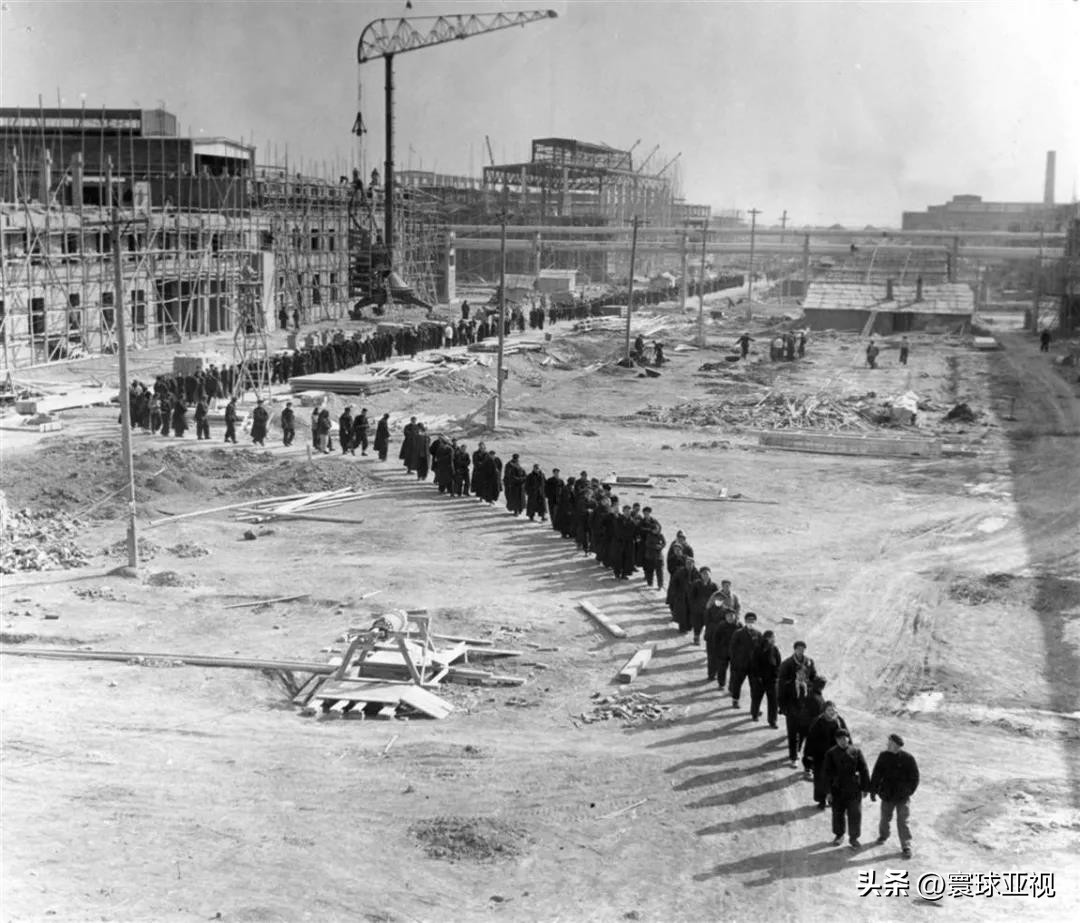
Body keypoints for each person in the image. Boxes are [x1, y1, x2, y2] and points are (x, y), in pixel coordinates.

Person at [870, 733, 920, 859]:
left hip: (902, 797)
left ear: (896, 746)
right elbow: (876, 774)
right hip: (887, 795)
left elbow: (915, 778)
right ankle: (883, 836)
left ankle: (906, 845)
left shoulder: (908, 758)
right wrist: (873, 790)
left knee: (903, 821)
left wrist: (908, 792)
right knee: (885, 818)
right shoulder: (883, 756)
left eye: (890, 743)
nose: (887, 745)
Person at [822, 729, 871, 850]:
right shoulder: (831, 753)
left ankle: (854, 838)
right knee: (838, 813)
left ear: (848, 738)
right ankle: (839, 835)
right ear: (836, 740)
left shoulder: (856, 751)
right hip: (837, 789)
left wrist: (865, 788)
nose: (843, 741)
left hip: (854, 788)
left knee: (855, 814)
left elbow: (864, 770)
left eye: (844, 738)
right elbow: (826, 774)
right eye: (839, 739)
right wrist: (828, 792)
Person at [778, 641, 818, 768]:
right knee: (792, 733)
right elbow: (781, 687)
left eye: (803, 649)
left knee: (803, 732)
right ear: (794, 649)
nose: (801, 651)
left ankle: (797, 750)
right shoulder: (787, 664)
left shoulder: (809, 662)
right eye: (798, 649)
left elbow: (814, 678)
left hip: (805, 709)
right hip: (792, 707)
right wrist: (782, 707)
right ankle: (793, 757)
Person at [804, 701, 849, 808]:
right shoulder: (818, 721)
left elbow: (846, 735)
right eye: (829, 710)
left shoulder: (839, 721)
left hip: (835, 755)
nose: (831, 712)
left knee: (834, 778)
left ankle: (832, 799)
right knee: (820, 778)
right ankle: (821, 800)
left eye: (833, 710)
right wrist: (808, 754)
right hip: (820, 756)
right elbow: (810, 739)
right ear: (824, 710)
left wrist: (849, 749)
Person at [728, 611, 761, 709]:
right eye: (748, 620)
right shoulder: (738, 633)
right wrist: (734, 662)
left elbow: (761, 649)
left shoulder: (758, 634)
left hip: (753, 665)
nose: (750, 622)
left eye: (752, 620)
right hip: (741, 664)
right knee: (737, 683)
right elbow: (732, 649)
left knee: (754, 687)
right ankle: (735, 700)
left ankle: (755, 707)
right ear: (745, 621)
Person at [750, 629, 781, 727]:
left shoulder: (774, 649)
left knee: (771, 701)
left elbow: (778, 663)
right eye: (772, 638)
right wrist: (758, 676)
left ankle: (771, 720)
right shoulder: (759, 648)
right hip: (761, 679)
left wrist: (776, 675)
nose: (774, 639)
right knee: (758, 698)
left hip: (770, 680)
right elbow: (754, 663)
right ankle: (756, 715)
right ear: (767, 638)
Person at [689, 566, 718, 647]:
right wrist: (694, 606)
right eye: (703, 574)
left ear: (710, 574)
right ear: (700, 574)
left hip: (709, 610)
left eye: (707, 574)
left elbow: (717, 597)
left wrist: (713, 607)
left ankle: (708, 642)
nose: (705, 575)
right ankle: (696, 637)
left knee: (709, 625)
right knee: (697, 624)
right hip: (697, 609)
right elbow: (691, 596)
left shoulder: (714, 586)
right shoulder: (696, 584)